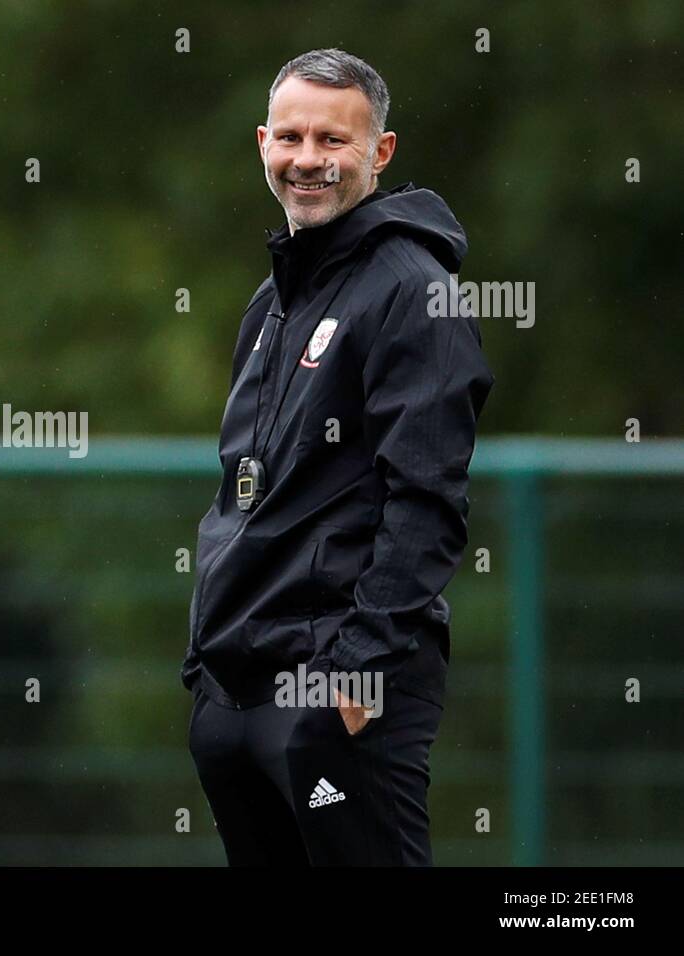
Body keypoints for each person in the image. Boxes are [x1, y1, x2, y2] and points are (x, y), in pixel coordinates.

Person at [183, 49, 494, 865]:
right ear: (262, 144)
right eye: (291, 137)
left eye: (333, 139)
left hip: (338, 690)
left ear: (379, 153)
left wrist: (350, 679)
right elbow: (241, 492)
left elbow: (424, 503)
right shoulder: (273, 299)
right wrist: (205, 663)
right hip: (235, 691)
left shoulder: (414, 290)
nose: (308, 159)